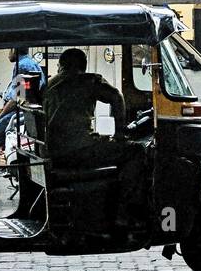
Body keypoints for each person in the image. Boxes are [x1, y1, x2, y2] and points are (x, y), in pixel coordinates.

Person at [43, 47, 147, 230]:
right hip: (80, 150)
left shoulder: (49, 84)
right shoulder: (88, 80)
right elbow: (116, 97)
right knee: (136, 151)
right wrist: (120, 133)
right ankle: (125, 211)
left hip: (55, 151)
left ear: (61, 65)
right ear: (83, 65)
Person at [0, 48, 45, 201]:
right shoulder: (30, 63)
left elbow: (18, 98)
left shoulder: (23, 66)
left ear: (14, 49)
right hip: (18, 113)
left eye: (9, 50)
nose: (8, 54)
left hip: (15, 113)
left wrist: (1, 115)